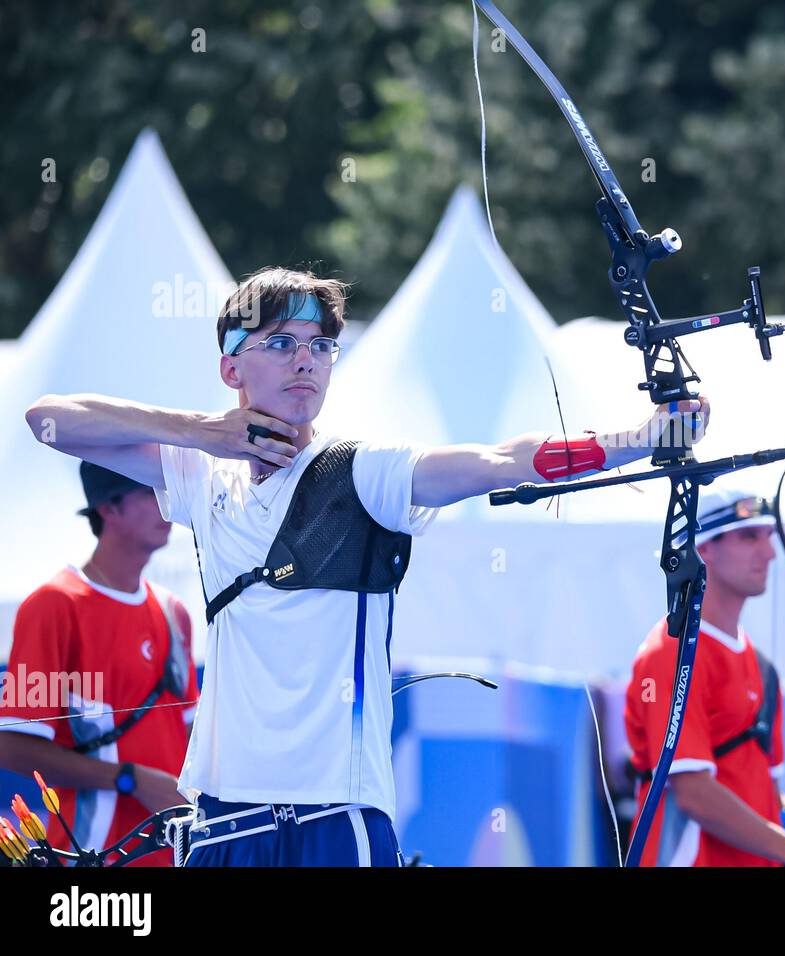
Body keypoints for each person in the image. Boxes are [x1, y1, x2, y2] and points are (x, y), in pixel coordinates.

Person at [24, 266, 709, 866]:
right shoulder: (199, 472)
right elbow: (48, 420)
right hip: (223, 818)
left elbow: (501, 461)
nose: (307, 361)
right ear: (231, 369)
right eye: (282, 344)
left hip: (335, 814)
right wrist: (204, 433)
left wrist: (642, 438)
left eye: (321, 346)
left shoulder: (364, 471)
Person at [625, 488, 785, 867]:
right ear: (703, 548)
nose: (769, 553)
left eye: (769, 536)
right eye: (750, 537)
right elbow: (694, 792)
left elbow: (770, 800)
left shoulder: (762, 667)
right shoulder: (670, 654)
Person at [0, 462, 198, 866]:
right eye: (149, 492)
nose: (166, 504)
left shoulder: (174, 612)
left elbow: (190, 731)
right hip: (95, 858)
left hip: (179, 854)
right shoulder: (53, 606)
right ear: (108, 508)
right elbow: (11, 746)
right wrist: (129, 779)